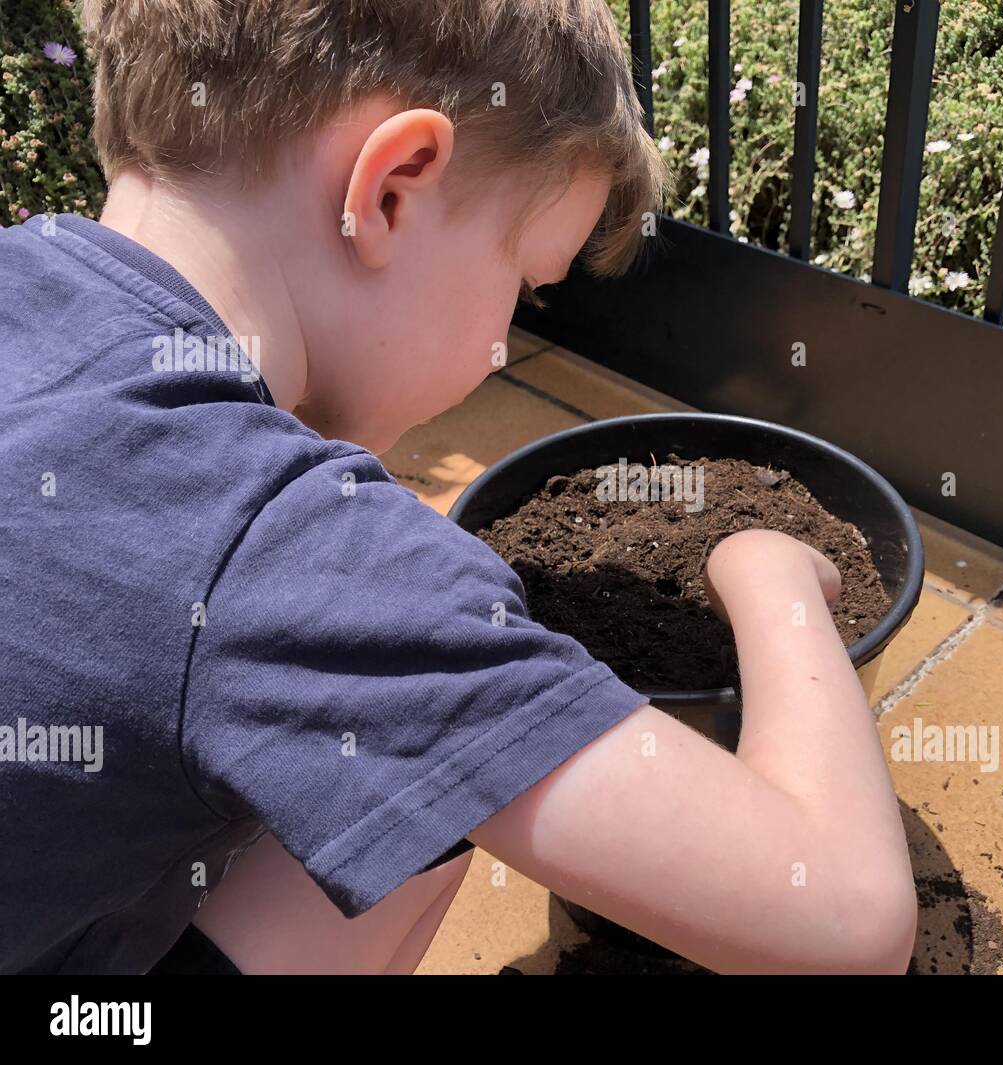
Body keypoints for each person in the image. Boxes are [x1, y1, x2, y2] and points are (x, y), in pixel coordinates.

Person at [0, 0, 915, 975]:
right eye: (522, 285)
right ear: (392, 191)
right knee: (424, 808)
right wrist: (764, 574)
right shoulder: (273, 542)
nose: (501, 344)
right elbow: (848, 924)